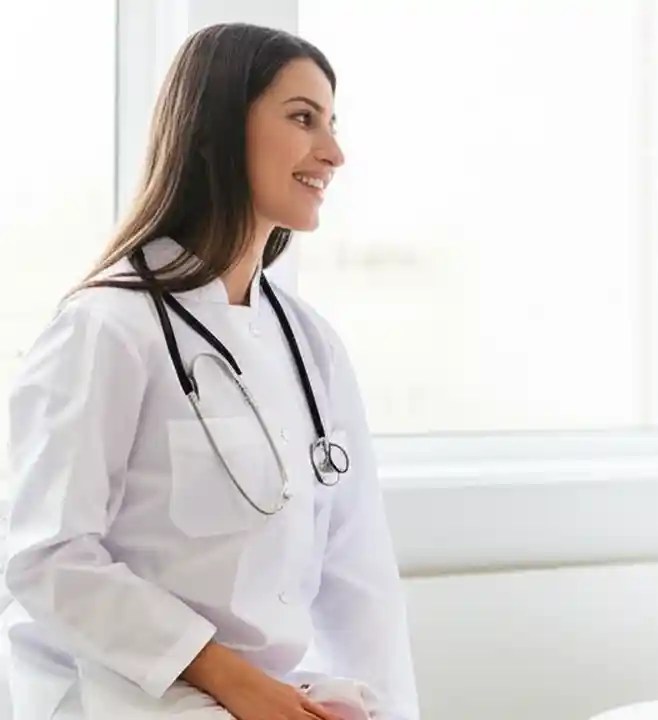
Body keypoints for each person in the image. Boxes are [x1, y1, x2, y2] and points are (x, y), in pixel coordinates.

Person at [3, 23, 419, 720]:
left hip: (269, 692)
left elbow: (358, 577)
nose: (334, 152)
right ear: (217, 129)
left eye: (332, 122)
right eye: (301, 118)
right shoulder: (106, 327)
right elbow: (47, 557)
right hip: (121, 691)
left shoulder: (311, 345)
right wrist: (233, 681)